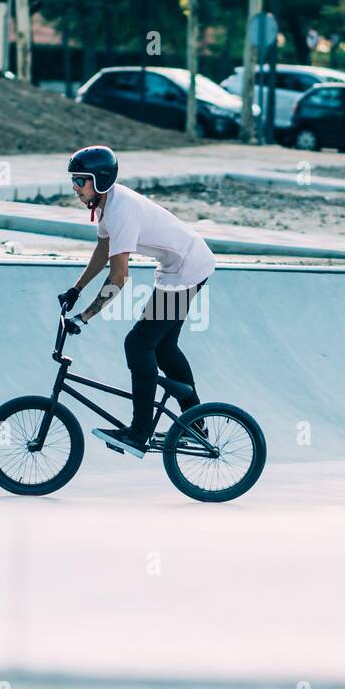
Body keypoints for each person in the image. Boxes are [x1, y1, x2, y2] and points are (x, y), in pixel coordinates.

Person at [57, 145, 214, 458]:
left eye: (80, 180)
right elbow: (103, 251)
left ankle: (140, 432)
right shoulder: (107, 206)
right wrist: (76, 289)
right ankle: (196, 426)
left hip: (187, 268)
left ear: (100, 181)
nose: (74, 187)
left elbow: (119, 276)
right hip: (178, 266)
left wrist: (84, 317)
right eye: (73, 180)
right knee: (164, 348)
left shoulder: (121, 211)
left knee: (138, 343)